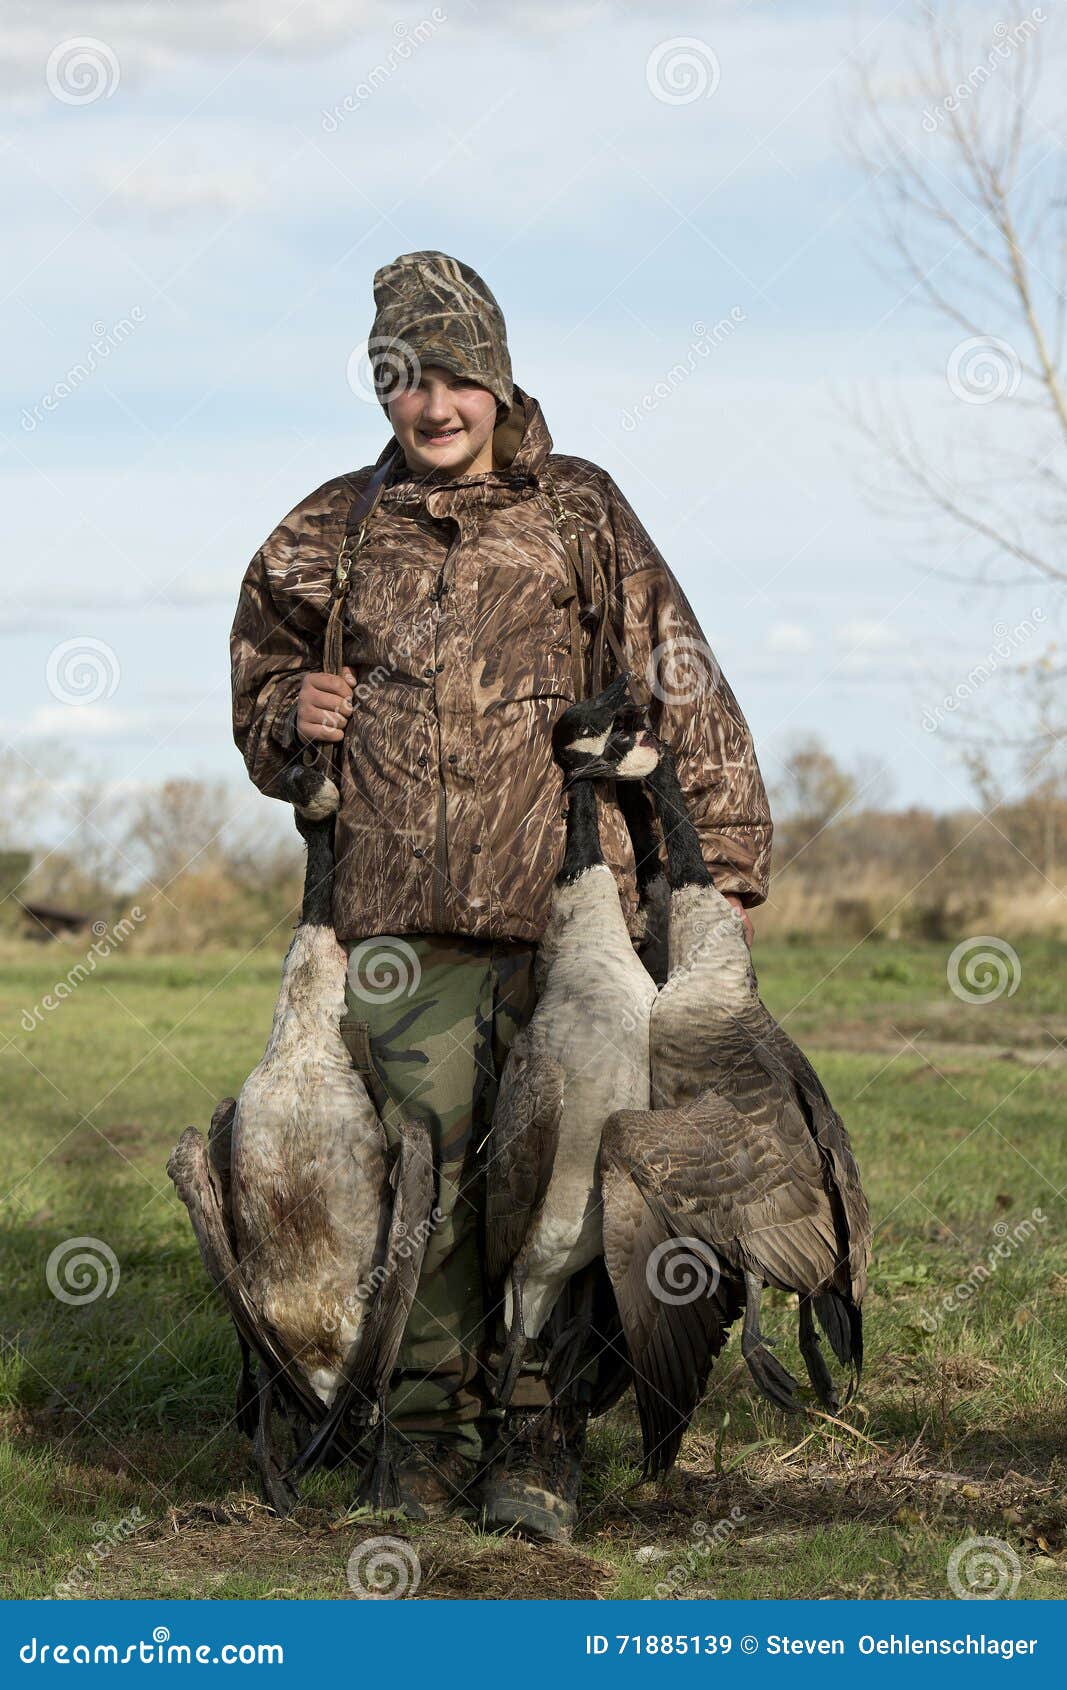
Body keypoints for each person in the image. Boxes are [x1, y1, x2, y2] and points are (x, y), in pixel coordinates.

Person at [230, 249, 772, 1540]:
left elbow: (680, 676)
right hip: (395, 927)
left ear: (500, 374)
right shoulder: (325, 533)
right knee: (418, 1182)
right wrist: (282, 713)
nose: (437, 407)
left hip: (572, 918)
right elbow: (262, 691)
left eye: (459, 376)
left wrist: (728, 878)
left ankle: (537, 1433)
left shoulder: (582, 512)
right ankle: (420, 1438)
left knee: (566, 1189)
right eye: (407, 382)